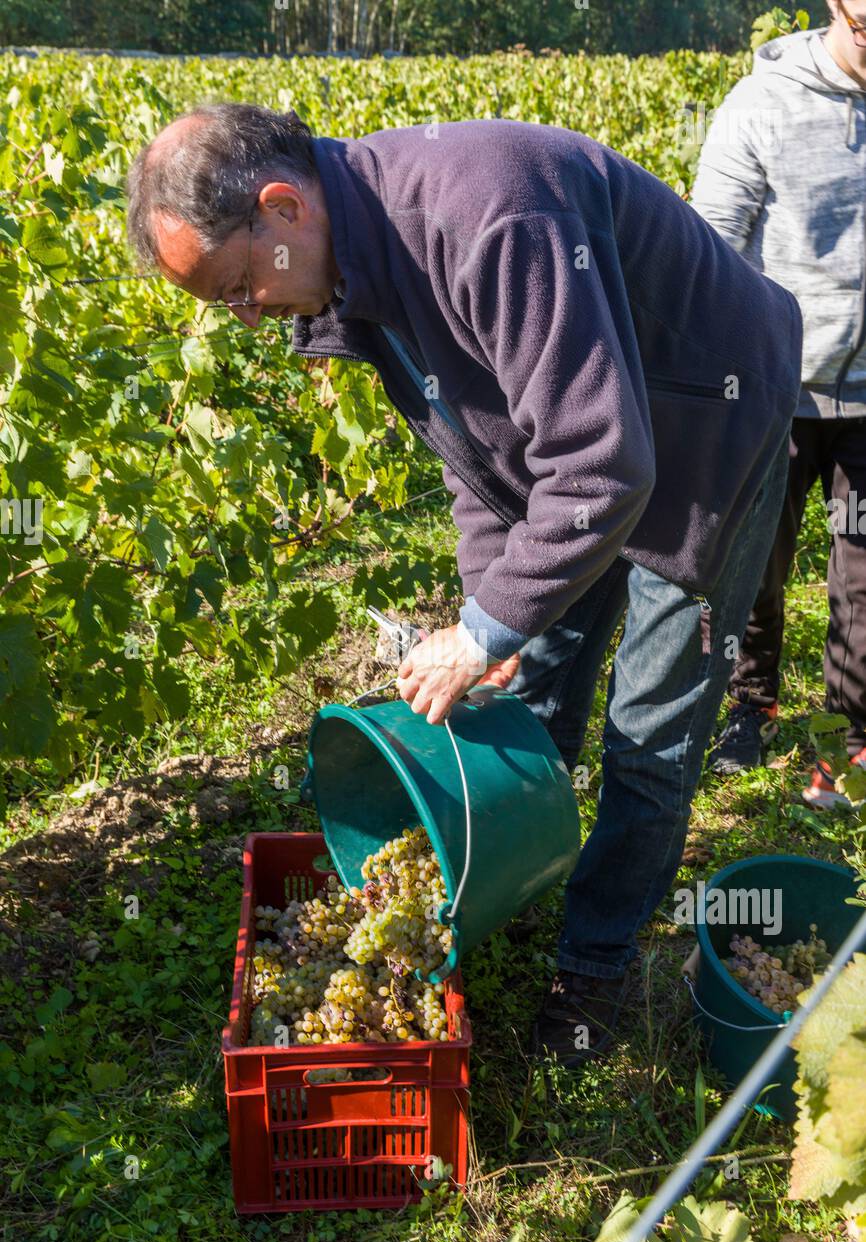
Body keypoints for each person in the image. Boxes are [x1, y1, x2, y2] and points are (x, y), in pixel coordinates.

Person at [126, 104, 801, 1066]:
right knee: (536, 672)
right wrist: (496, 618)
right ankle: (521, 866)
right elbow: (479, 453)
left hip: (706, 419)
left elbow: (604, 467)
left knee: (649, 730)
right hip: (592, 436)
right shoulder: (358, 271)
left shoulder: (491, 215)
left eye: (239, 288)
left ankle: (596, 972)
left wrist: (483, 628)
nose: (248, 317)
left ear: (282, 208)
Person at [692, 4, 866, 807]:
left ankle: (847, 738)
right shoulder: (762, 103)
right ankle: (748, 706)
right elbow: (713, 243)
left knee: (862, 579)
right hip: (774, 388)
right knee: (754, 566)